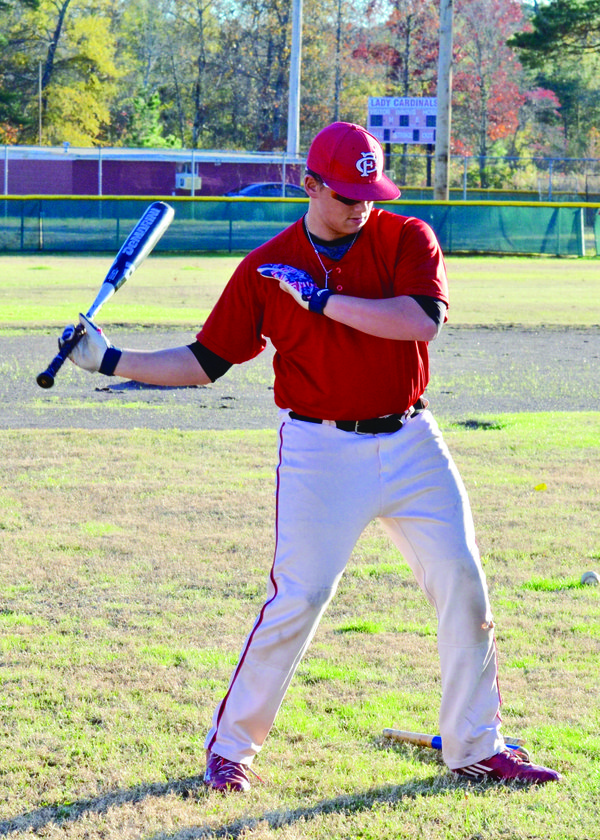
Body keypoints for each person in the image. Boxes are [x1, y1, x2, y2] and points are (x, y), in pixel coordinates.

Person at [66, 122, 560, 792]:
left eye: (370, 189)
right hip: (319, 449)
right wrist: (111, 358)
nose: (361, 204)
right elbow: (205, 362)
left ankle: (475, 744)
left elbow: (420, 321)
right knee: (298, 599)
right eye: (345, 191)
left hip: (413, 440)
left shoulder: (406, 237)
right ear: (310, 183)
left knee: (464, 588)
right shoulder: (264, 266)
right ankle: (232, 747)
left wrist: (325, 301)